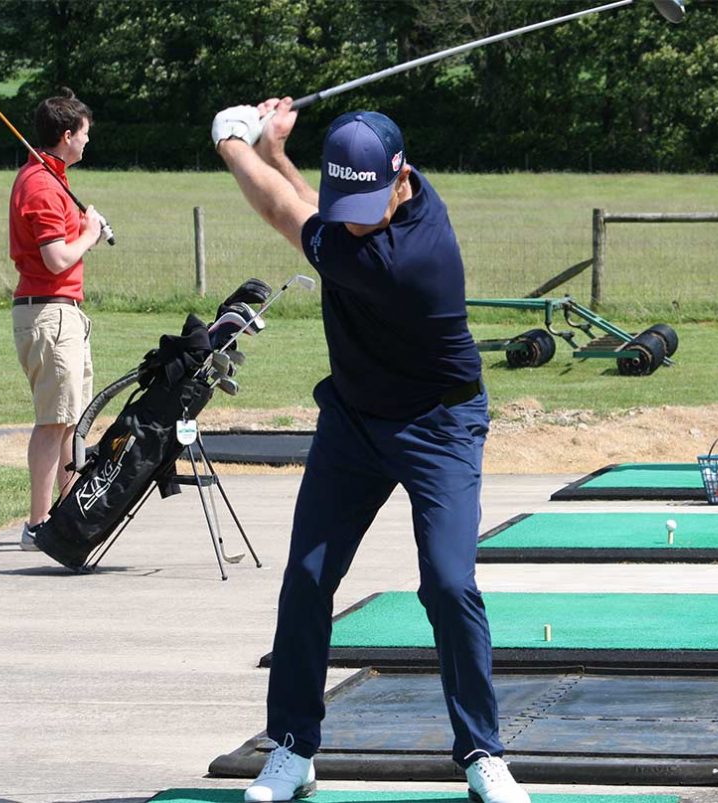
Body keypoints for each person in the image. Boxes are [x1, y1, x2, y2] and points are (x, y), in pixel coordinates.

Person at [211, 99, 530, 803]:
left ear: (401, 178)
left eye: (365, 199)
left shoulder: (412, 259)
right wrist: (277, 148)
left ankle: (482, 751)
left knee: (449, 583)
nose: (353, 214)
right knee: (307, 576)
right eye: (344, 199)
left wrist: (235, 143)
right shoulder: (368, 213)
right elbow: (311, 203)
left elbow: (283, 212)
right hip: (354, 422)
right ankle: (293, 746)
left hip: (437, 426)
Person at [10, 88, 105, 550]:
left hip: (64, 314)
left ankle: (66, 520)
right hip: (49, 313)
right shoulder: (42, 186)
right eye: (85, 134)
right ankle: (38, 525)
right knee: (53, 422)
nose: (89, 141)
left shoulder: (53, 176)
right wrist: (89, 234)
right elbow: (54, 258)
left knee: (71, 422)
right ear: (67, 135)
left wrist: (83, 226)